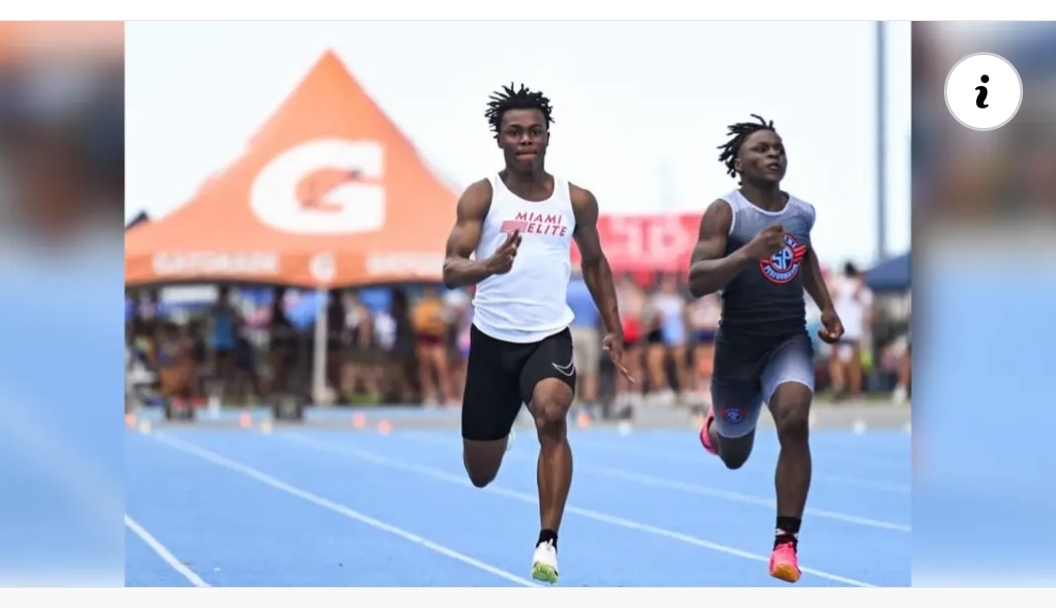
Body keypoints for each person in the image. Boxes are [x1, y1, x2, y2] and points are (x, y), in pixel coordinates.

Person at [441, 83, 632, 585]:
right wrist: (488, 265)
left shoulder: (576, 200)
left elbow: (594, 263)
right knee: (480, 473)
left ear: (547, 137)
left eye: (534, 131)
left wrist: (614, 328)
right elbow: (449, 268)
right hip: (492, 342)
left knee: (552, 413)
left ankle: (547, 541)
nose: (525, 139)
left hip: (548, 335)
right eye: (514, 132)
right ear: (500, 140)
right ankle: (500, 427)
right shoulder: (483, 195)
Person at [686, 115, 844, 584]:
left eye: (778, 147)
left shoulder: (801, 213)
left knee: (794, 421)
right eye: (761, 148)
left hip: (788, 339)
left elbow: (805, 256)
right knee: (735, 455)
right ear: (739, 163)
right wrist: (746, 253)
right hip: (737, 348)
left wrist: (828, 308)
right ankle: (717, 431)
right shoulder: (725, 213)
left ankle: (785, 544)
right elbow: (696, 280)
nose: (773, 153)